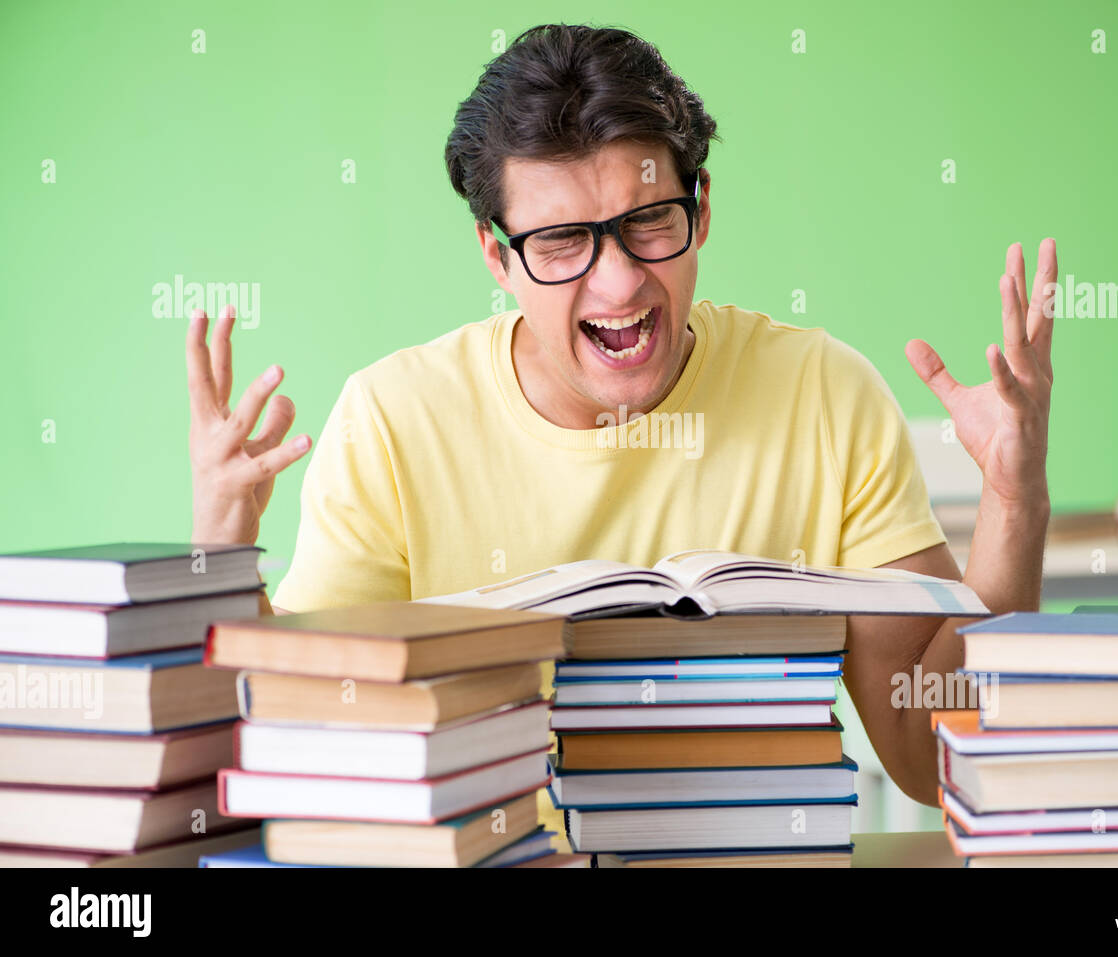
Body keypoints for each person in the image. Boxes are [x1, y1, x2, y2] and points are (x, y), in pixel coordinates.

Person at [186, 23, 1056, 806]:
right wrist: (220, 556)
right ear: (497, 255)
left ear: (701, 210)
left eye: (647, 221)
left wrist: (1015, 504)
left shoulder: (825, 392)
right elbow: (306, 746)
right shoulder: (391, 420)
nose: (619, 283)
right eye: (562, 240)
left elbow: (929, 750)